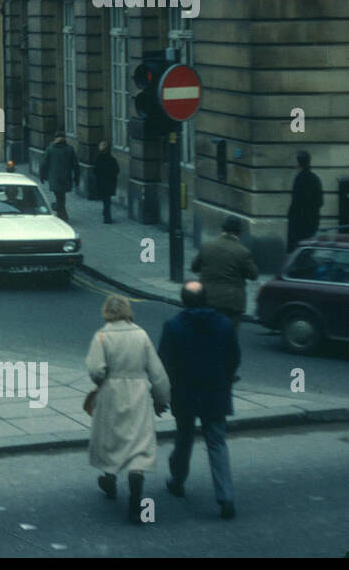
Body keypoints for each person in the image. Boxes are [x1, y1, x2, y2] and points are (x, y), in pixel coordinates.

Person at [158, 281, 240, 520]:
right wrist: (225, 378)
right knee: (217, 442)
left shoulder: (173, 326)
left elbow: (165, 360)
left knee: (184, 437)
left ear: (183, 301)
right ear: (206, 299)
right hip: (215, 392)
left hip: (185, 393)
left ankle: (177, 480)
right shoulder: (224, 324)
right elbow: (234, 357)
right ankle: (225, 497)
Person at [86, 294, 171, 524]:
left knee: (111, 438)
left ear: (107, 312)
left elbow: (96, 370)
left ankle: (110, 479)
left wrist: (102, 381)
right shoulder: (141, 334)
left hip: (112, 392)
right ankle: (136, 496)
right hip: (138, 392)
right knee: (138, 440)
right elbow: (157, 372)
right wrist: (161, 399)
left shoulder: (102, 336)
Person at [191, 216, 258, 330]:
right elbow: (253, 275)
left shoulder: (207, 247)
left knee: (207, 334)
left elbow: (194, 267)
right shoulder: (243, 252)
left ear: (222, 230)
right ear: (239, 233)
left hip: (207, 299)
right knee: (229, 338)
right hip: (231, 303)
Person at [286, 150, 323, 252]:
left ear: (298, 163)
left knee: (299, 250)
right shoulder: (315, 179)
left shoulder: (299, 179)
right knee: (308, 249)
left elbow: (296, 202)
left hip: (299, 223)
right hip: (312, 222)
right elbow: (320, 202)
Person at [40, 133, 81, 222]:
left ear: (55, 139)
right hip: (66, 178)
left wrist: (42, 176)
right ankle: (61, 214)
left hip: (54, 178)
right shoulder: (69, 149)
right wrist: (77, 178)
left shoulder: (50, 149)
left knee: (59, 196)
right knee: (61, 196)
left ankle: (60, 213)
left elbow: (43, 163)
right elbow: (75, 165)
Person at [94, 140, 120, 224]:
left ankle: (106, 216)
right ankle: (107, 216)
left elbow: (95, 171)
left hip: (101, 183)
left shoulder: (98, 158)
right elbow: (117, 170)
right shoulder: (111, 159)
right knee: (107, 201)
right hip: (109, 183)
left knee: (105, 200)